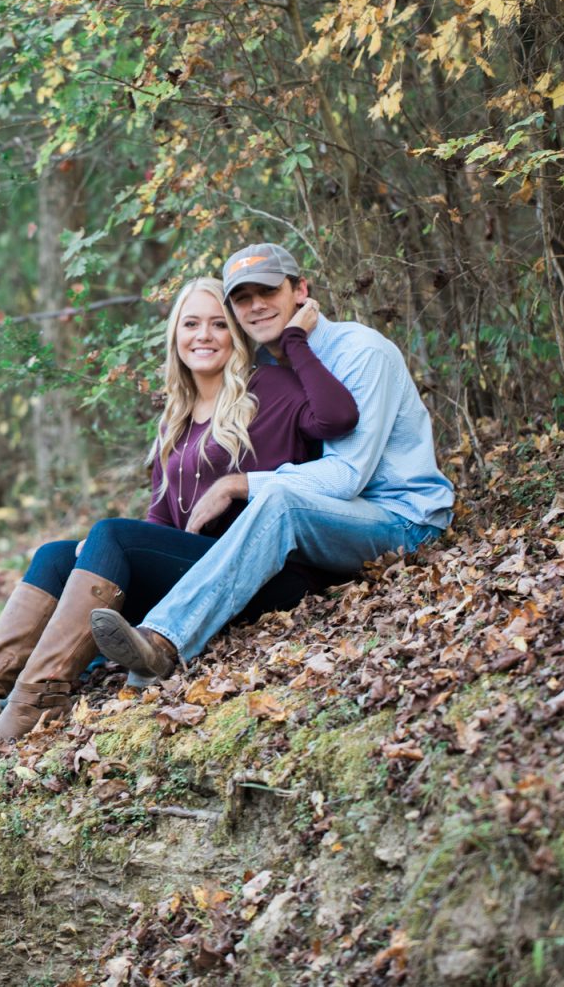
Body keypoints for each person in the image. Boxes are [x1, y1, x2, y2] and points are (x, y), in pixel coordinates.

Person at [0, 275, 358, 754]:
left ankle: (32, 703)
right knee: (57, 555)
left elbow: (338, 417)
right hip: (199, 572)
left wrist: (295, 341)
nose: (204, 335)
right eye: (191, 323)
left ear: (237, 334)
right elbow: (158, 523)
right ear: (175, 335)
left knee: (110, 533)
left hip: (264, 572)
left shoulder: (271, 388)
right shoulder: (179, 413)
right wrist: (96, 556)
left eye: (219, 324)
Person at [91, 242, 456, 683]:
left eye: (268, 291)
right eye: (243, 298)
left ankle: (164, 642)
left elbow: (346, 477)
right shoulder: (265, 362)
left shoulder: (362, 352)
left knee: (279, 498)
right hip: (332, 525)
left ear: (300, 290)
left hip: (402, 521)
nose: (257, 306)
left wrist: (235, 484)